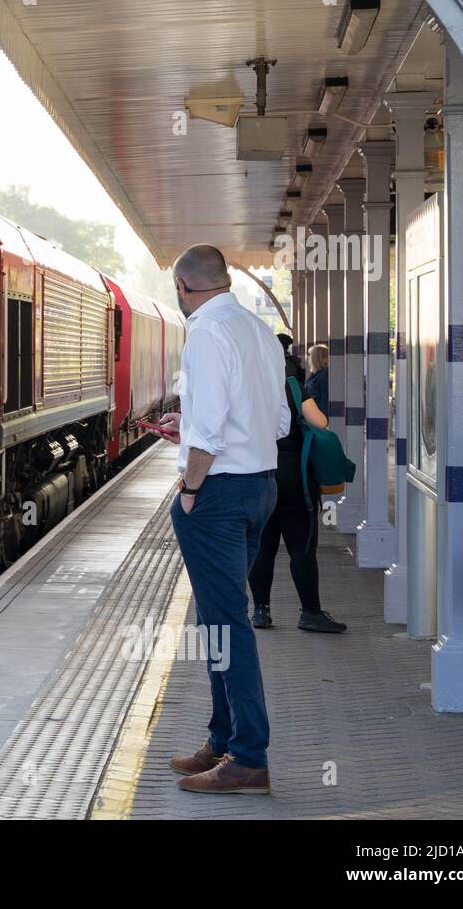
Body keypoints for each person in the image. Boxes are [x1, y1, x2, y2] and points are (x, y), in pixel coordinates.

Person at [146, 244, 288, 796]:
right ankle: (224, 738)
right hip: (260, 489)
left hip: (217, 497)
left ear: (183, 287)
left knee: (227, 623)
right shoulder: (257, 329)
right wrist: (202, 430)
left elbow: (206, 432)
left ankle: (249, 757)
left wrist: (190, 489)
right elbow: (275, 422)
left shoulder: (204, 333)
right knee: (216, 616)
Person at [247, 356, 346, 633]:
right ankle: (310, 612)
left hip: (258, 474)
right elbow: (320, 422)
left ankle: (260, 611)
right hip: (293, 478)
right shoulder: (291, 386)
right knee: (301, 546)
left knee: (263, 547)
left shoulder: (246, 385)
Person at [304, 343, 330, 416]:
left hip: (318, 415)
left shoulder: (324, 375)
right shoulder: (316, 374)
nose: (308, 359)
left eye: (310, 355)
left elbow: (325, 399)